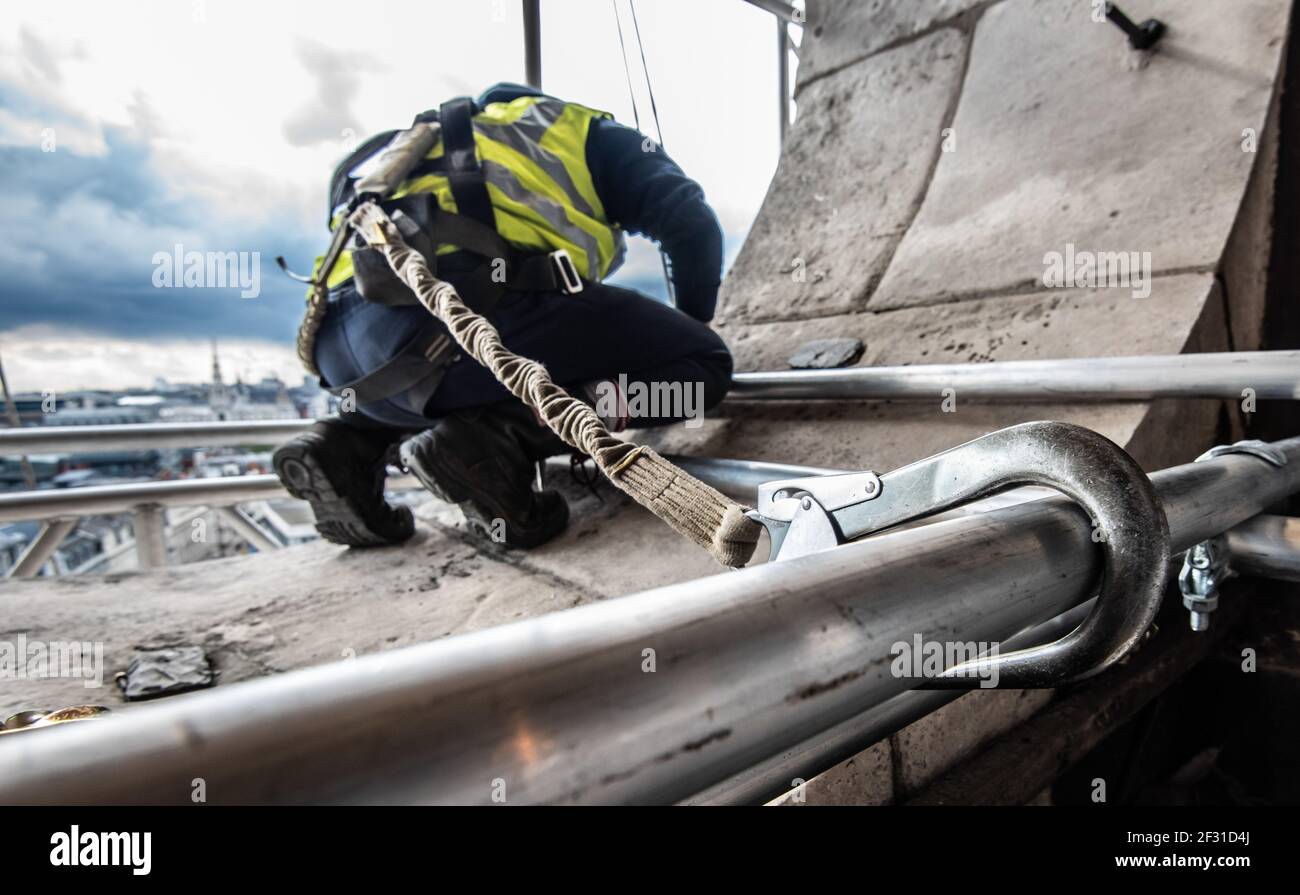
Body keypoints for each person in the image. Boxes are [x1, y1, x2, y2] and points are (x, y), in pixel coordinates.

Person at [273, 83, 732, 550]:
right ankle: (501, 438)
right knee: (702, 372)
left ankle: (345, 449)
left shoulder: (418, 147)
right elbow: (688, 222)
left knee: (463, 371)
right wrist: (695, 322)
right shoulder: (580, 130)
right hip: (450, 321)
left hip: (350, 361)